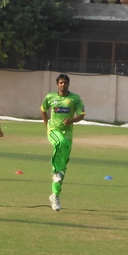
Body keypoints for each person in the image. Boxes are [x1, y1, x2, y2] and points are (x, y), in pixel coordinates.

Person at [40, 74, 85, 211]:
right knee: (58, 143)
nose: (63, 85)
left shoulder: (74, 99)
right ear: (57, 84)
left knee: (62, 168)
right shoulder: (50, 97)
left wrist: (71, 121)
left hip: (68, 135)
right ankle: (55, 172)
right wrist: (46, 124)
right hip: (53, 130)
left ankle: (55, 195)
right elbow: (43, 109)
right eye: (60, 82)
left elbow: (82, 115)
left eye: (65, 82)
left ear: (68, 84)